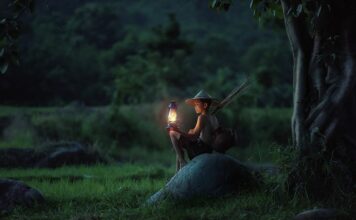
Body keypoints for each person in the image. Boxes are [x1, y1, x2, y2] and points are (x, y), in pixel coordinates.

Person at [169, 90, 219, 172]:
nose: (195, 107)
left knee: (172, 133)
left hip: (200, 149)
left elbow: (194, 136)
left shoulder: (202, 117)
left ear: (205, 105)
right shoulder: (213, 117)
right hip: (208, 149)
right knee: (179, 145)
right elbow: (202, 133)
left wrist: (177, 130)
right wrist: (190, 132)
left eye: (197, 104)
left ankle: (182, 162)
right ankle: (178, 172)